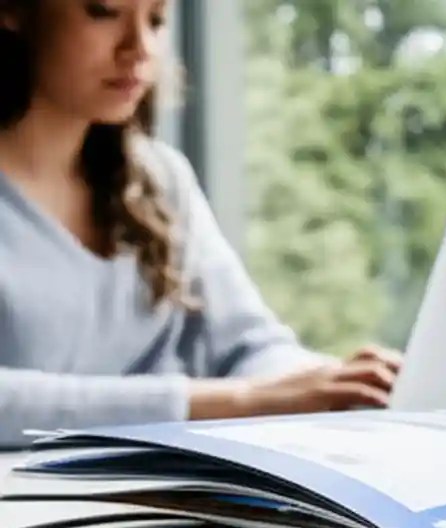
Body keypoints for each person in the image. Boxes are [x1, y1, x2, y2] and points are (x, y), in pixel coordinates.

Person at [0, 0, 401, 448]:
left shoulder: (159, 179)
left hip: (164, 484)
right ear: (12, 10)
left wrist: (345, 385)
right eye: (105, 11)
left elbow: (247, 347)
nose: (140, 48)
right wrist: (234, 401)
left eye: (156, 20)